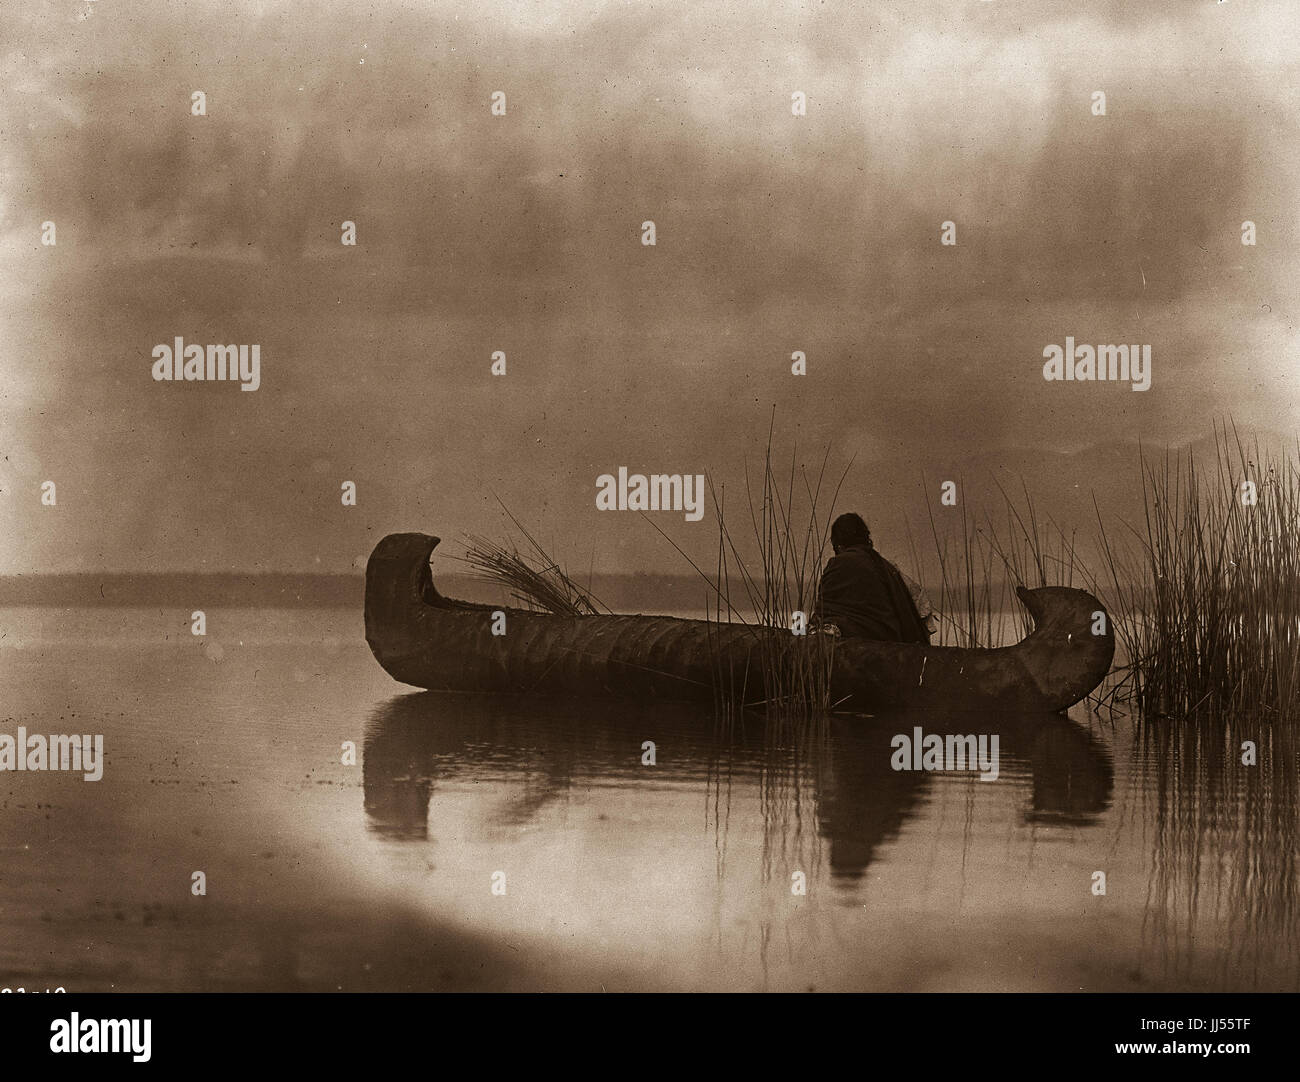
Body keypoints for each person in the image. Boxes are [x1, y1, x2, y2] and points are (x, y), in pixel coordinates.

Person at [814, 513, 931, 643]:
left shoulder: (836, 563)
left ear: (839, 545)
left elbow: (822, 610)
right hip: (883, 638)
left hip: (842, 634)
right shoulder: (886, 567)